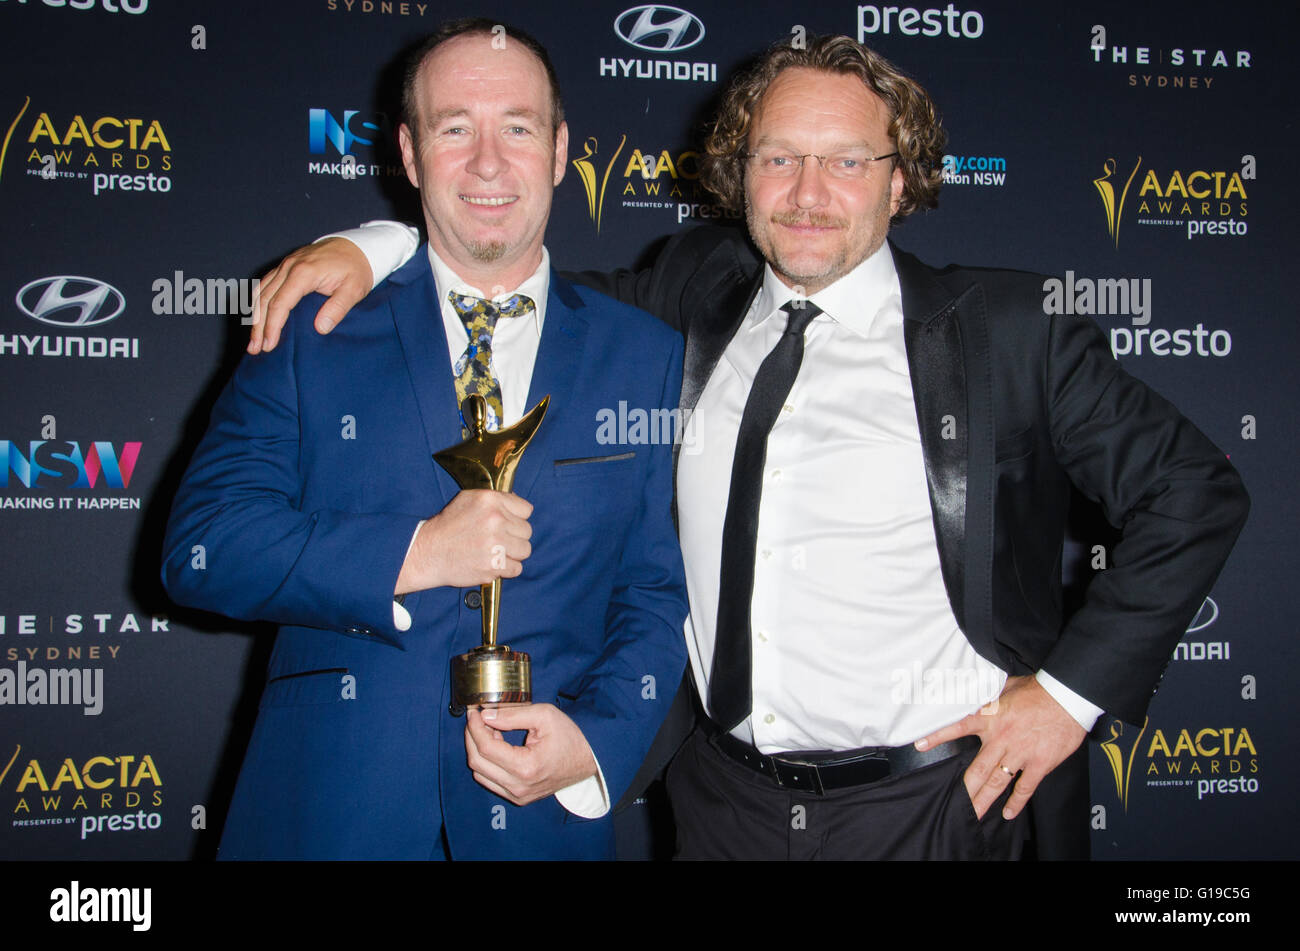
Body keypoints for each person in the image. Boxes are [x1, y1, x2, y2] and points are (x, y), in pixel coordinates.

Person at [243, 35, 1248, 859]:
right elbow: (503, 272)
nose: (809, 192)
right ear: (740, 171)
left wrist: (1067, 698)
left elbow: (1194, 492)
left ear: (900, 182)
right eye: (779, 157)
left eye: (848, 160)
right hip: (722, 806)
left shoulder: (1006, 331)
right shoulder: (691, 294)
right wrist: (376, 246)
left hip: (937, 809)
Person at [161, 19, 687, 860]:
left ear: (559, 151)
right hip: (330, 817)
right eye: (454, 129)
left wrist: (595, 742)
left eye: (516, 128)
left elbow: (658, 593)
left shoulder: (647, 353)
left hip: (544, 828)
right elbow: (202, 547)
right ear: (409, 154)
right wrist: (414, 553)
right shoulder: (312, 326)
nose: (487, 161)